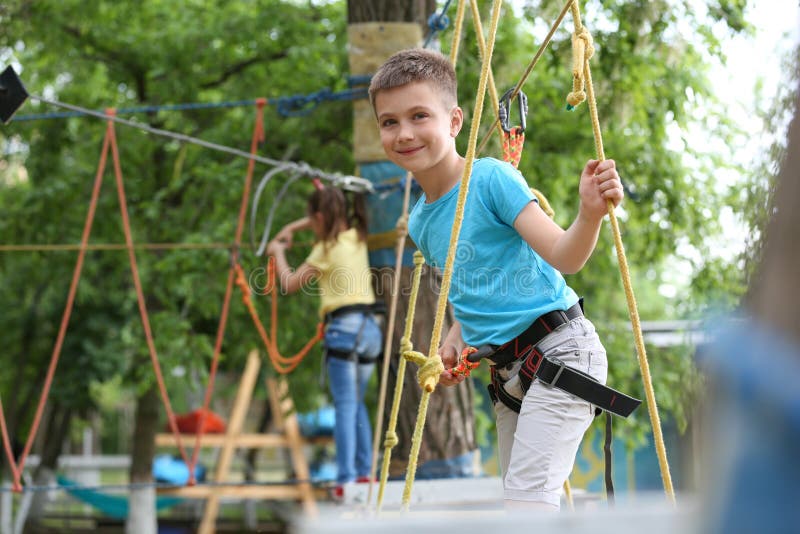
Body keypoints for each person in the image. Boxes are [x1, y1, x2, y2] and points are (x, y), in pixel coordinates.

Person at [368, 48, 624, 510]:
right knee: (522, 504)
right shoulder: (422, 221)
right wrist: (453, 338)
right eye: (389, 122)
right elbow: (469, 290)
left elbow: (565, 256)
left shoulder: (490, 180)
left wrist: (589, 215)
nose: (404, 133)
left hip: (561, 352)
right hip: (508, 373)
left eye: (419, 115)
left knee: (527, 505)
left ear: (454, 121)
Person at [266, 186, 383, 489]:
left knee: (345, 404)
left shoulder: (325, 249)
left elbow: (290, 283)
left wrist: (278, 251)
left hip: (344, 328)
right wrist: (294, 226)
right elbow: (324, 216)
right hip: (370, 330)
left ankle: (345, 478)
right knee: (356, 403)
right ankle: (362, 471)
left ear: (318, 216)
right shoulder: (355, 236)